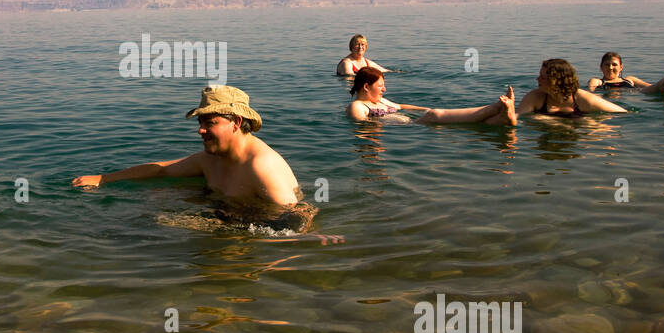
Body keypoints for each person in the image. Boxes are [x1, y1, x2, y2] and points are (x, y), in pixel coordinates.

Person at [72, 85, 303, 209]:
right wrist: (103, 178)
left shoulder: (261, 165)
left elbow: (296, 213)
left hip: (248, 227)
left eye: (209, 123)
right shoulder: (211, 158)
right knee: (154, 200)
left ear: (237, 122)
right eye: (200, 122)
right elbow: (160, 169)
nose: (200, 130)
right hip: (223, 211)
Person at [517, 58, 626, 117]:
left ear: (555, 81)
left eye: (542, 77)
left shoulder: (583, 99)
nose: (537, 79)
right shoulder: (535, 96)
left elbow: (623, 113)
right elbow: (517, 117)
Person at [348, 67, 428, 120]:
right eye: (380, 86)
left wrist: (425, 109)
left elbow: (400, 106)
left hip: (412, 123)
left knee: (434, 113)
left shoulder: (382, 101)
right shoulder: (357, 106)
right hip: (410, 127)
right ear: (366, 87)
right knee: (435, 114)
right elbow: (363, 126)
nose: (384, 89)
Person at [588, 52, 664, 93]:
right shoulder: (597, 81)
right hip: (635, 95)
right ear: (601, 67)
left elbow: (649, 86)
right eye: (607, 65)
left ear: (621, 67)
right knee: (657, 90)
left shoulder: (630, 79)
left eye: (614, 65)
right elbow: (590, 93)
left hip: (636, 93)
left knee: (656, 89)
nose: (610, 67)